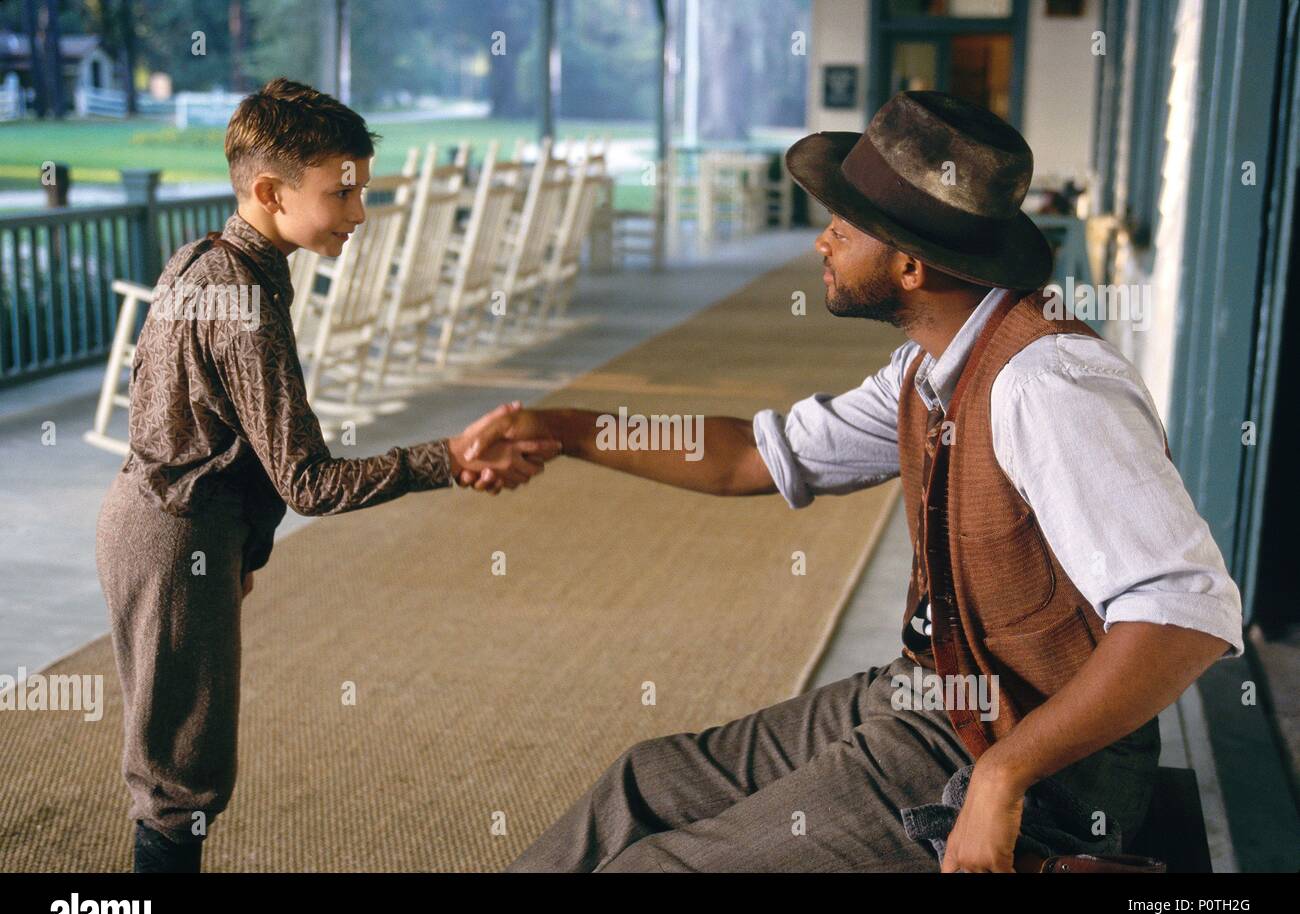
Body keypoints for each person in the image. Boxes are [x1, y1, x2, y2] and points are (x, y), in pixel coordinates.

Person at [459, 90, 1244, 872]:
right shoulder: (931, 367)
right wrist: (563, 431)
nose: (821, 244)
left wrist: (1003, 777)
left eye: (843, 226)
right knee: (642, 782)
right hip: (937, 695)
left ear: (909, 263)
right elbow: (751, 456)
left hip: (1042, 761)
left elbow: (1185, 614)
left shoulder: (1048, 385)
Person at [95, 78, 560, 873]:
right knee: (182, 783)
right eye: (342, 192)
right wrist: (446, 457)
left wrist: (240, 549)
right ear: (271, 192)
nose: (358, 212)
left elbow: (201, 428)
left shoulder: (212, 258)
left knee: (183, 766)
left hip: (176, 529)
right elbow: (309, 480)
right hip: (173, 539)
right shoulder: (240, 295)